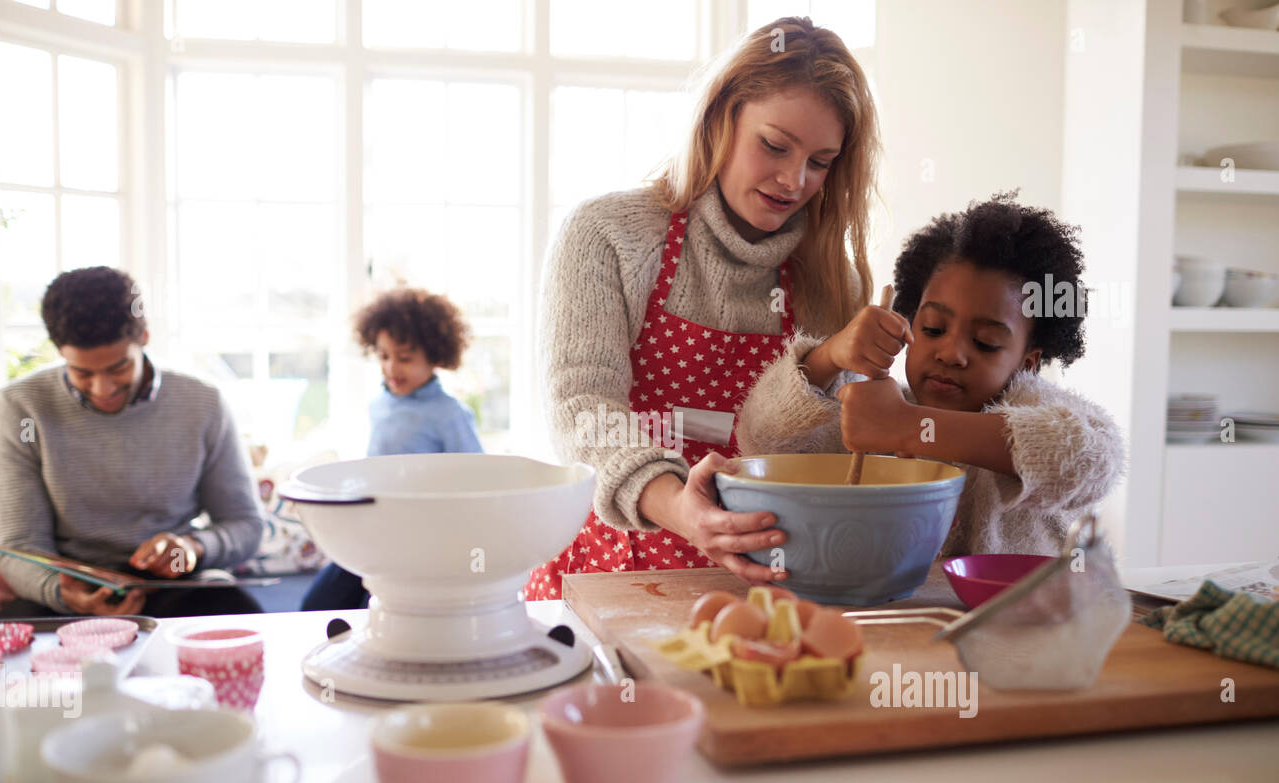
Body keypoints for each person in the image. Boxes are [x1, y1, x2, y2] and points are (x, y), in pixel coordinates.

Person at [524, 16, 880, 600]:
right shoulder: (608, 235)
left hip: (770, 584)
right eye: (774, 145)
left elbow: (823, 460)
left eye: (820, 161)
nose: (794, 180)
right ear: (721, 116)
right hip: (612, 576)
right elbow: (584, 410)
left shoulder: (830, 279)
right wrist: (684, 512)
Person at [735, 194, 1127, 555]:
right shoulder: (876, 413)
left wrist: (911, 427)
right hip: (906, 624)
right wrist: (828, 356)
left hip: (1029, 625)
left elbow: (1094, 456)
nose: (951, 353)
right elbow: (762, 439)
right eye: (934, 329)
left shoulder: (1030, 405)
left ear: (1027, 362)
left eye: (986, 342)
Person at [0, 266, 266, 618]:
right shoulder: (17, 409)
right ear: (59, 351)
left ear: (144, 336)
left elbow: (246, 525)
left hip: (176, 587)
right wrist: (61, 590)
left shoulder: (202, 404)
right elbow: (20, 548)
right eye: (82, 372)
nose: (103, 389)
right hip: (68, 593)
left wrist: (191, 548)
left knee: (238, 612)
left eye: (118, 368)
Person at [300, 286, 482, 611]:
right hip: (372, 532)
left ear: (435, 356)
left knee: (384, 608)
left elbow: (478, 478)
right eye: (384, 356)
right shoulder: (380, 404)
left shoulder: (450, 414)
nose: (391, 368)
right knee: (316, 604)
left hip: (421, 540)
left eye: (405, 358)